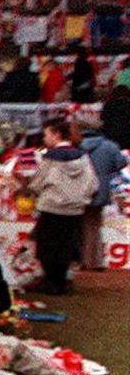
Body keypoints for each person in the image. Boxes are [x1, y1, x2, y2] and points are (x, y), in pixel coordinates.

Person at [27, 118, 98, 293]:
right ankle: (62, 281)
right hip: (75, 209)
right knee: (67, 246)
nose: (45, 139)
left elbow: (37, 183)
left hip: (52, 207)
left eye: (47, 134)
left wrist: (32, 188)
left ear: (56, 134)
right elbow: (93, 183)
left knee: (48, 247)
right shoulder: (83, 157)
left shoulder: (50, 158)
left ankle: (50, 281)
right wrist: (82, 198)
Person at [78, 122, 125, 270]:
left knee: (82, 225)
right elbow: (120, 163)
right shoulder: (110, 146)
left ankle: (83, 260)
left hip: (81, 187)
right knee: (95, 225)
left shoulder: (77, 146)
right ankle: (96, 261)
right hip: (102, 187)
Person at [102, 84, 130, 152]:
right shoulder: (128, 104)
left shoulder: (108, 105)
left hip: (111, 136)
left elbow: (103, 118)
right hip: (127, 136)